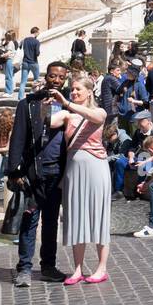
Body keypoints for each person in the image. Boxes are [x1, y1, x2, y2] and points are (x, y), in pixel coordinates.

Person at [6, 61, 71, 287]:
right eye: (53, 76)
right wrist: (14, 171)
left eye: (61, 77)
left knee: (52, 222)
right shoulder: (28, 104)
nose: (56, 80)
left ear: (65, 79)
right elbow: (17, 138)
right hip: (34, 171)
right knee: (29, 221)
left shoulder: (69, 105)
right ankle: (24, 267)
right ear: (46, 77)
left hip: (57, 172)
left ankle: (48, 266)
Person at [46, 74, 110, 284]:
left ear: (89, 92)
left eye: (78, 90)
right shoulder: (66, 115)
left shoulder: (99, 111)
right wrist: (42, 101)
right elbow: (46, 121)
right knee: (75, 218)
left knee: (99, 217)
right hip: (74, 170)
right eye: (72, 89)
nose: (73, 92)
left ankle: (101, 268)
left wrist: (67, 103)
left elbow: (96, 118)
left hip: (96, 167)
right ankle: (77, 269)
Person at [17, 27, 42, 100]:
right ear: (36, 32)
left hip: (25, 62)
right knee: (36, 80)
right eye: (38, 33)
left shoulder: (24, 40)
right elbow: (37, 53)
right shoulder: (36, 41)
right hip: (33, 62)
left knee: (23, 82)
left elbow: (19, 47)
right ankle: (32, 94)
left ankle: (20, 97)